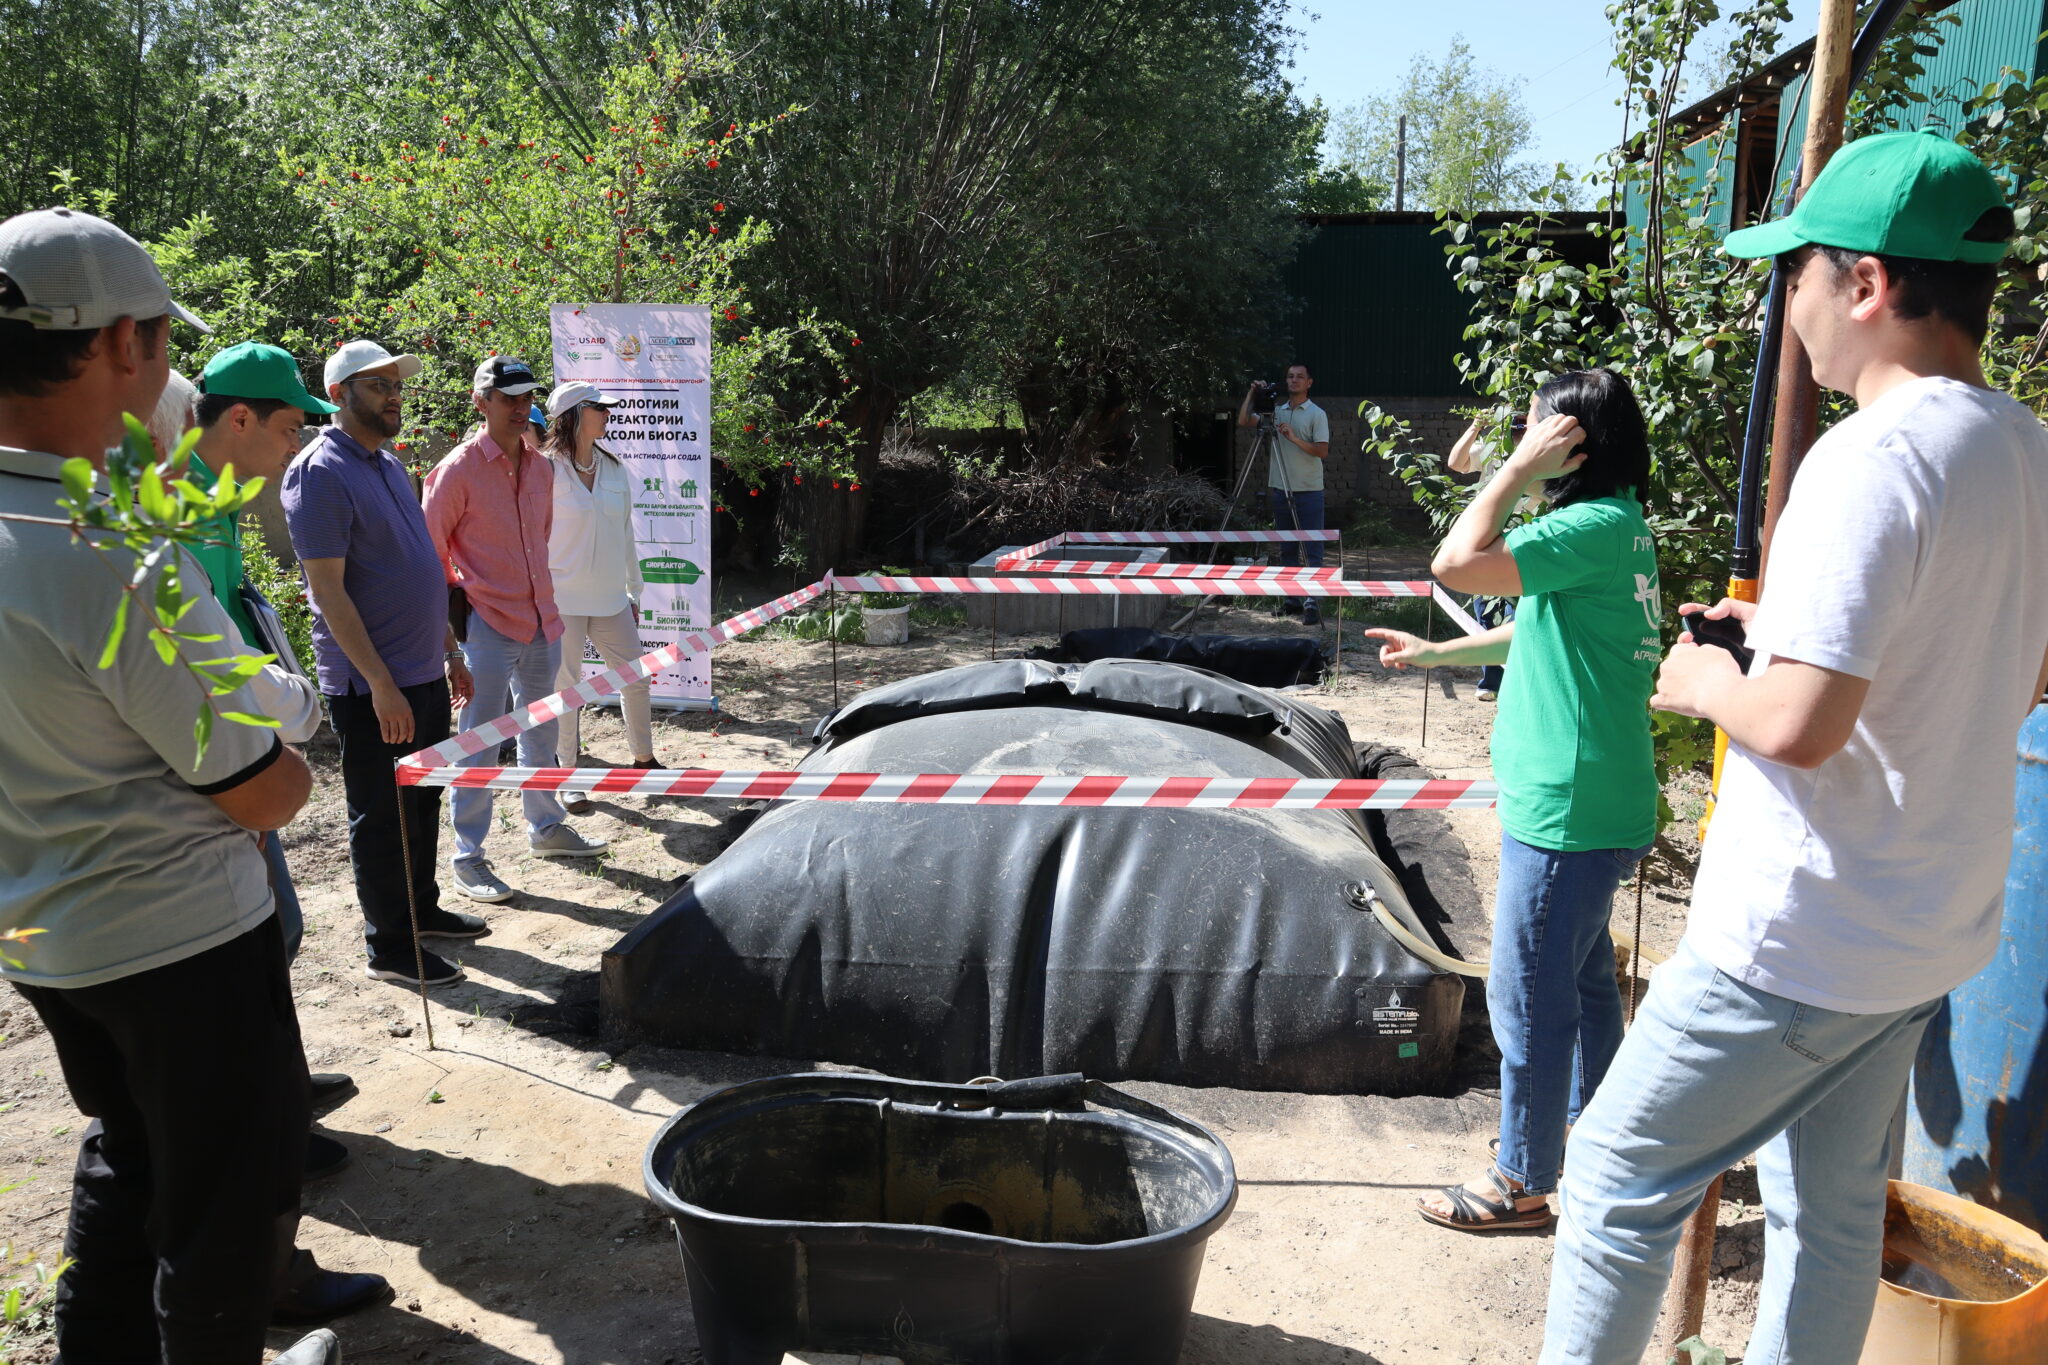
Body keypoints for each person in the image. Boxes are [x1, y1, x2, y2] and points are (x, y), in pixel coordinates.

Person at [1538, 133, 2048, 1365]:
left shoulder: (1866, 458)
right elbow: (2013, 662)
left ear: (1865, 283)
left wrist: (1709, 676)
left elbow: (1798, 728)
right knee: (1825, 1214)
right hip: (1926, 932)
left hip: (1797, 941)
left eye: (1797, 274)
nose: (1789, 304)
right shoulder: (2023, 446)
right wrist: (1792, 630)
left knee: (1612, 1177)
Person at [0, 206, 364, 1365]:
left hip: (44, 932)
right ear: (119, 343)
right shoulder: (107, 548)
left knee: (129, 1147)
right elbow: (264, 794)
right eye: (159, 337)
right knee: (225, 1198)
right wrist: (293, 752)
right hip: (180, 943)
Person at [1363, 368, 1662, 1236]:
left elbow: (1451, 559)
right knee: (1580, 978)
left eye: (1536, 427)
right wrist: (1431, 655)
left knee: (1527, 990)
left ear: (1568, 439)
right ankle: (1603, 1134)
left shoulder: (1585, 525)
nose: (1522, 434)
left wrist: (1513, 472)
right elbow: (1538, 625)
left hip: (1566, 812)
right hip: (1601, 801)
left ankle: (1522, 1181)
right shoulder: (1619, 529)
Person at [284, 338, 481, 988]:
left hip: (422, 673)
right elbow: (329, 591)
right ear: (340, 395)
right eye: (378, 386)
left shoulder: (388, 464)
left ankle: (421, 911)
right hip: (375, 688)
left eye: (396, 385)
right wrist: (379, 683)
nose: (394, 395)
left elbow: (421, 567)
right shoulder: (321, 471)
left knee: (423, 801)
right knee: (382, 813)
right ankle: (391, 945)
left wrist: (450, 651)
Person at [425, 356, 608, 903]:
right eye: (507, 398)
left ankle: (546, 828)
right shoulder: (456, 470)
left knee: (542, 734)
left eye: (527, 397)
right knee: (479, 743)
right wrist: (452, 642)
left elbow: (541, 540)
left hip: (541, 622)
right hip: (486, 627)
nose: (520, 407)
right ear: (480, 401)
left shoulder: (541, 466)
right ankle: (468, 858)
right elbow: (430, 556)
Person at [542, 381, 658, 811]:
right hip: (561, 600)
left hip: (611, 598)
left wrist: (634, 589)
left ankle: (643, 761)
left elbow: (626, 533)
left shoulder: (614, 468)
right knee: (566, 690)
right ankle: (568, 775)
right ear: (574, 414)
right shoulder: (544, 468)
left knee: (637, 679)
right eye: (600, 409)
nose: (608, 415)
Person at [1236, 361, 1330, 623]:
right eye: (1290, 377)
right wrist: (1252, 394)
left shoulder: (1316, 414)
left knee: (1312, 551)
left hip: (1309, 490)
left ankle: (1313, 605)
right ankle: (1292, 601)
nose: (1294, 381)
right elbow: (1244, 420)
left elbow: (1322, 451)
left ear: (1309, 382)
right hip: (1281, 489)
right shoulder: (1277, 411)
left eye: (1300, 377)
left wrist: (1294, 439)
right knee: (1287, 549)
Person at [1445, 418, 1526, 701]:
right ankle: (1491, 681)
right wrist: (1476, 425)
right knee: (1486, 611)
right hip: (1488, 539)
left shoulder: (1541, 455)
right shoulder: (1493, 450)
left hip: (1524, 538)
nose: (1518, 434)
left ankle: (1517, 683)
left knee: (1519, 612)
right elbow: (1456, 462)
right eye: (1514, 428)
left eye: (1524, 428)